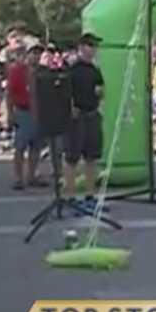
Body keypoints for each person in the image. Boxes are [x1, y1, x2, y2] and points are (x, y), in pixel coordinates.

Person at [64, 34, 105, 210]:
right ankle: (71, 195)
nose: (93, 49)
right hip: (77, 116)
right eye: (90, 45)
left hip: (92, 114)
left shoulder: (95, 70)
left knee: (92, 157)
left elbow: (101, 89)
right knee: (72, 157)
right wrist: (70, 107)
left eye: (95, 46)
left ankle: (90, 194)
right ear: (81, 47)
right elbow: (65, 93)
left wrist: (100, 92)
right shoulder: (72, 69)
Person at [6, 44, 45, 190]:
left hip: (39, 112)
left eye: (38, 53)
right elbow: (9, 93)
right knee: (20, 146)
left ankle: (32, 175)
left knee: (36, 146)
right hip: (23, 111)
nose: (36, 56)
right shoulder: (17, 70)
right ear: (27, 54)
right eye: (33, 53)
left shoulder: (42, 72)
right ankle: (18, 177)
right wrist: (10, 113)